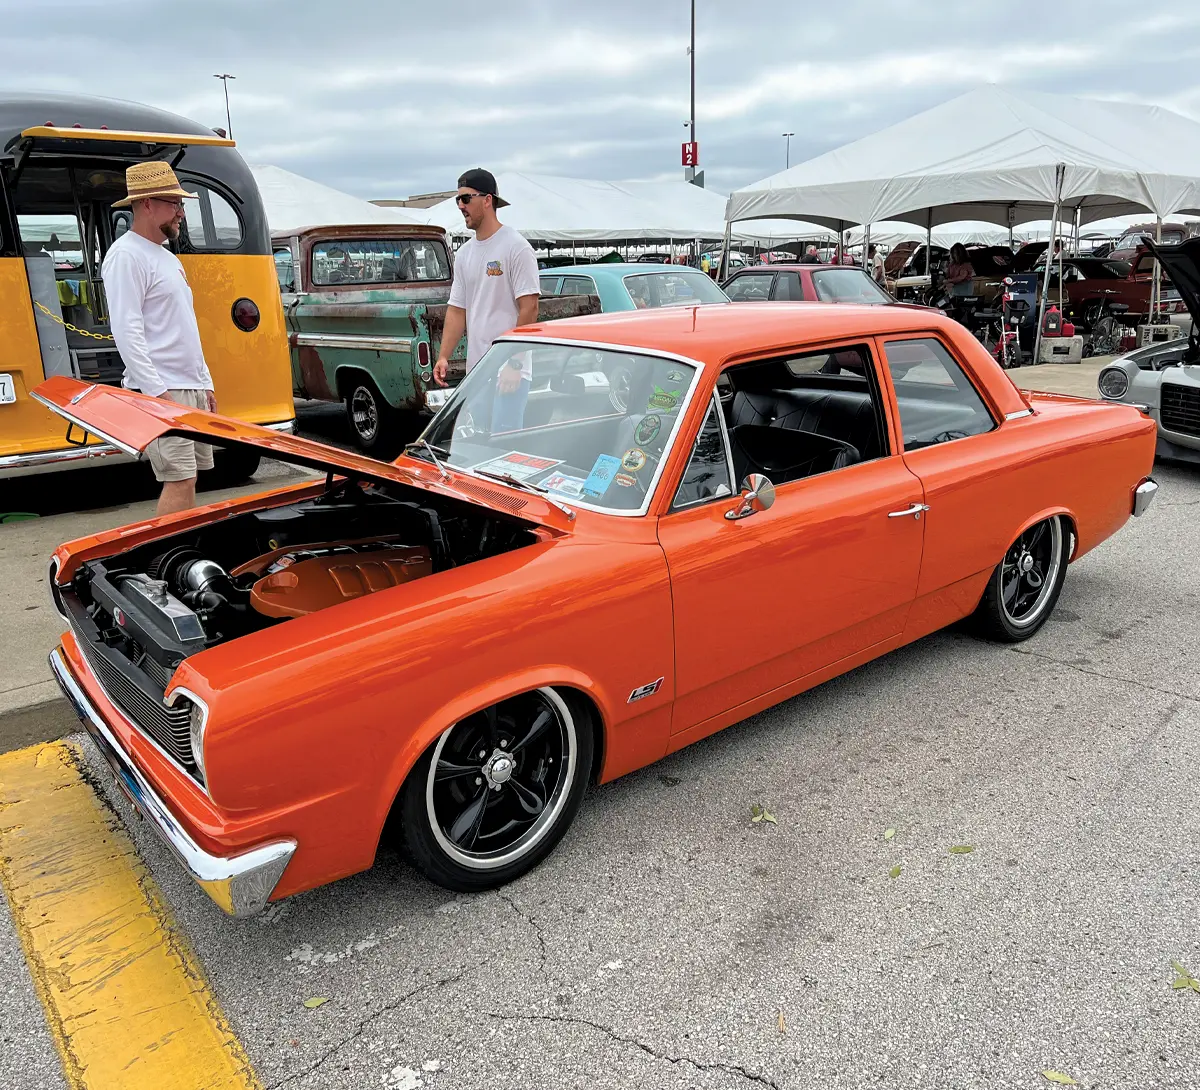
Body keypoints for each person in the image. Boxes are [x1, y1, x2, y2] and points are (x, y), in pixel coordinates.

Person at [103, 162, 216, 517]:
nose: (181, 212)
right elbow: (127, 329)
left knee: (189, 476)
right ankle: (167, 561)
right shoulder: (126, 256)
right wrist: (157, 394)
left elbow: (182, 326)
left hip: (186, 386)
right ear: (146, 204)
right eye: (174, 203)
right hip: (165, 390)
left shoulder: (166, 257)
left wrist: (206, 382)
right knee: (178, 478)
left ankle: (181, 553)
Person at [432, 169, 539, 432]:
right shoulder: (465, 254)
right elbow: (457, 310)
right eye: (457, 200)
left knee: (504, 448)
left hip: (509, 371)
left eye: (466, 199)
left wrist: (514, 363)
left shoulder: (516, 247)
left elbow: (529, 309)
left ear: (488, 200)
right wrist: (444, 355)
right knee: (477, 447)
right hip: (477, 373)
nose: (460, 206)